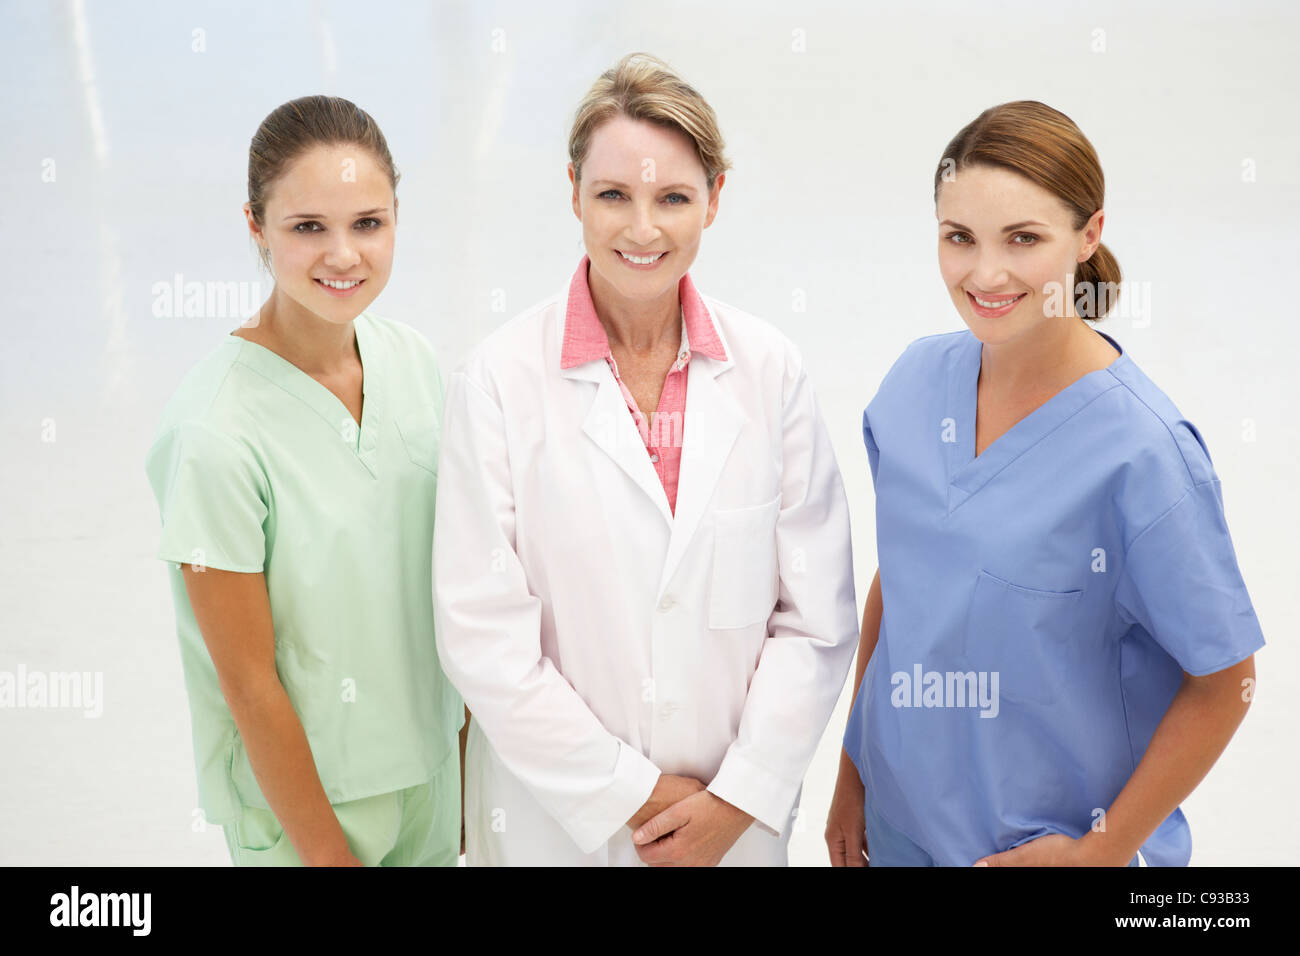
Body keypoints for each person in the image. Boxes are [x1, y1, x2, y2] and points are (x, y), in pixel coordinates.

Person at [433, 53, 859, 866]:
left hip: (730, 829)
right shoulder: (496, 380)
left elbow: (815, 618)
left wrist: (740, 796)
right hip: (553, 827)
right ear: (572, 194)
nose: (641, 229)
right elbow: (482, 635)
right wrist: (633, 794)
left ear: (715, 199)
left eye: (672, 198)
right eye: (613, 195)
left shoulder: (770, 372)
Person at [826, 100, 1264, 867]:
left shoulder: (1144, 454)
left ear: (1089, 233)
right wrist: (852, 775)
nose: (985, 274)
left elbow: (1226, 680)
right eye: (959, 238)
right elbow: (902, 586)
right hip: (893, 833)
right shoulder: (913, 385)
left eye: (1023, 239)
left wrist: (1101, 852)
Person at [145, 95, 465, 866]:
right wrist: (327, 856)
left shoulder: (414, 363)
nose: (344, 255)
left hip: (430, 779)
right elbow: (249, 684)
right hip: (302, 816)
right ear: (256, 227)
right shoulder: (215, 433)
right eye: (307, 227)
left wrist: (459, 767)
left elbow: (449, 579)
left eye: (368, 223)